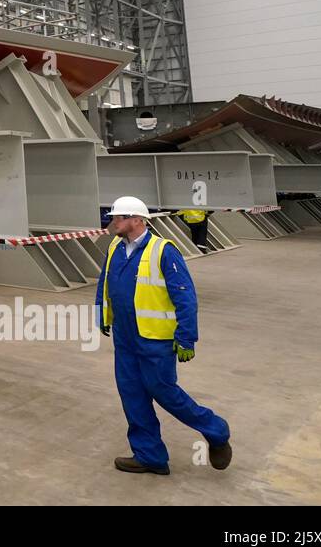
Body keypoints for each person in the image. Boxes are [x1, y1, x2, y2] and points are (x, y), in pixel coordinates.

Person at [95, 195, 233, 475]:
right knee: (132, 395)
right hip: (125, 337)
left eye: (118, 218)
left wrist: (186, 337)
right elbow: (106, 280)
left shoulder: (163, 251)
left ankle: (217, 431)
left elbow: (185, 296)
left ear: (136, 220)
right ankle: (150, 456)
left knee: (165, 393)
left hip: (154, 340)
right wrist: (102, 313)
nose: (112, 222)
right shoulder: (115, 247)